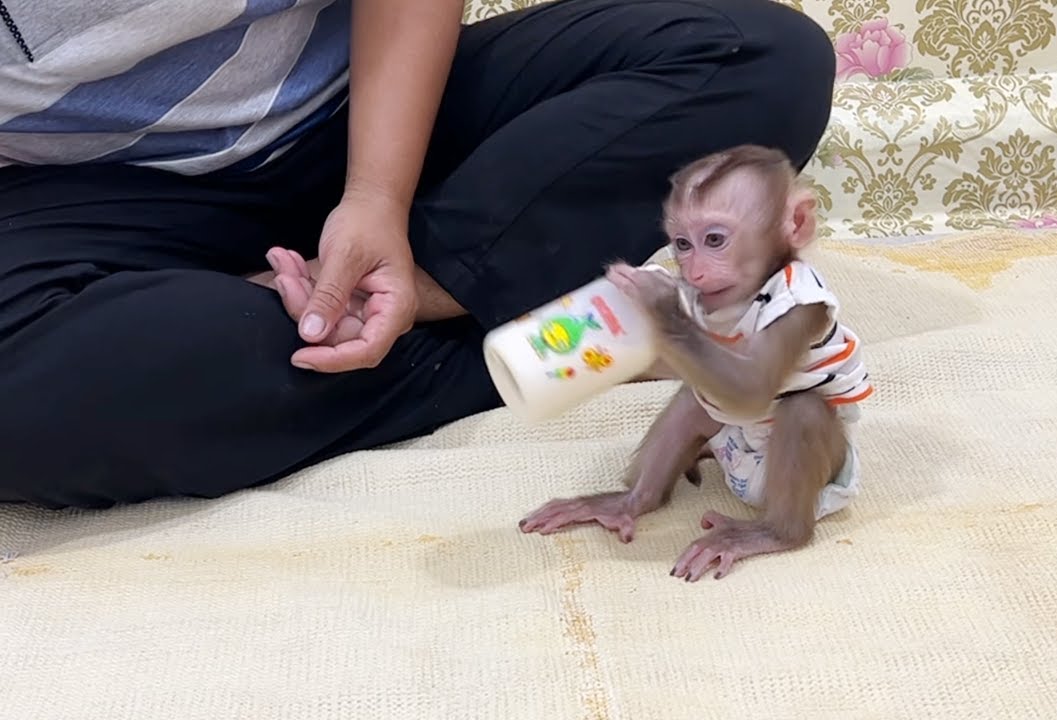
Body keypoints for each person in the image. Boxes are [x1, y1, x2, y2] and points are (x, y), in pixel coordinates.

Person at [0, 0, 836, 509]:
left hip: (372, 108)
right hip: (82, 188)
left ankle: (357, 307)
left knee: (758, 57)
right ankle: (568, 340)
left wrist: (376, 198)